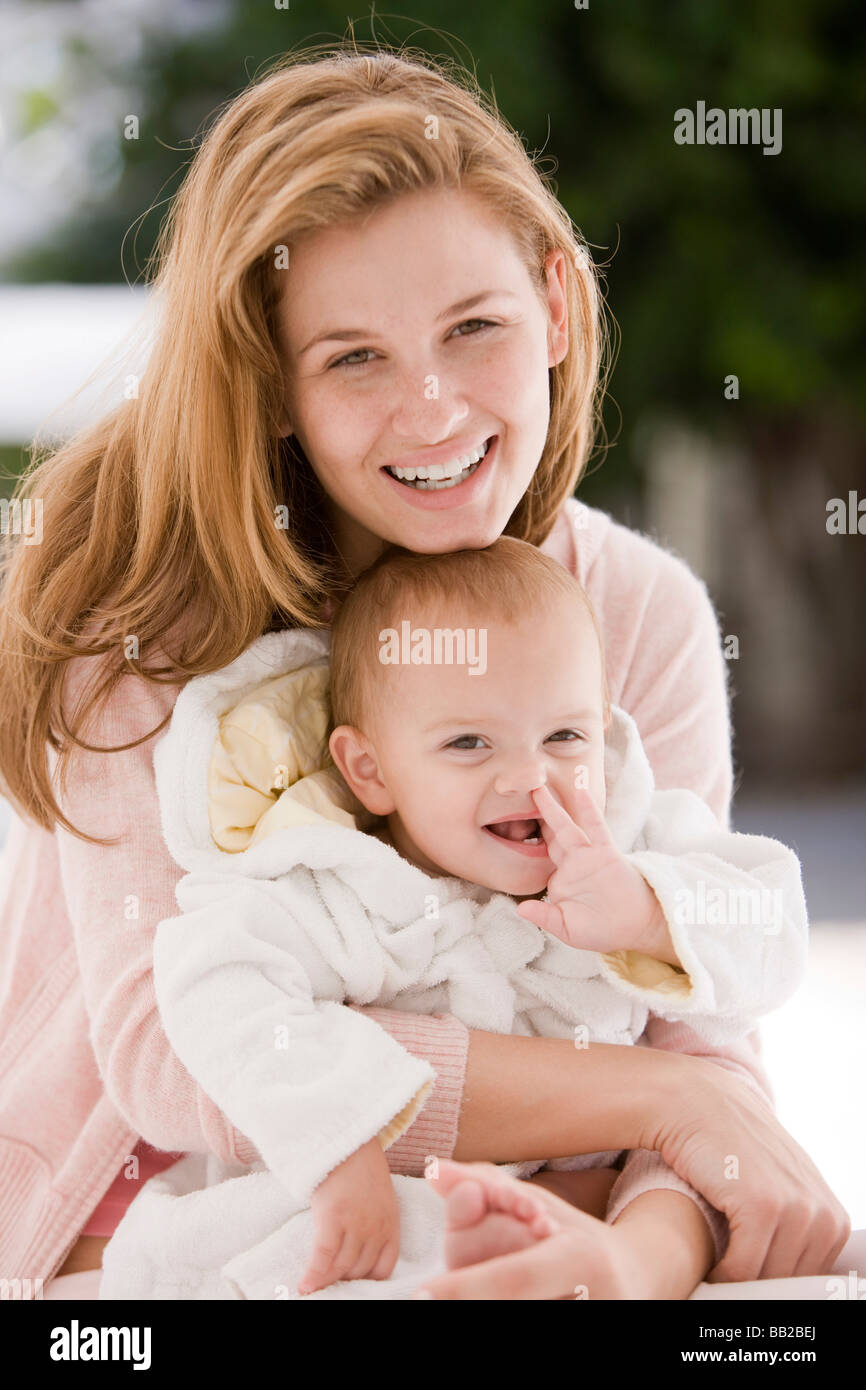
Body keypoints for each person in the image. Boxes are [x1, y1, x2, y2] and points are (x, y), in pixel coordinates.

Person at [0, 43, 850, 1300]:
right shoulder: (137, 602)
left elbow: (704, 1044)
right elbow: (176, 1056)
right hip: (159, 1213)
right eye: (353, 357)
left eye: (475, 327)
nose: (437, 412)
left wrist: (629, 1253)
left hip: (559, 1203)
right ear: (273, 382)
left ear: (555, 303)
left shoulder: (635, 611)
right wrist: (653, 1098)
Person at [111, 536, 809, 1301]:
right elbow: (215, 986)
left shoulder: (636, 838)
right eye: (469, 743)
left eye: (565, 736)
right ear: (369, 770)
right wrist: (341, 1142)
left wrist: (647, 911)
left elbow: (770, 930)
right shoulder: (343, 887)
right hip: (385, 1213)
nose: (527, 775)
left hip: (598, 1210)